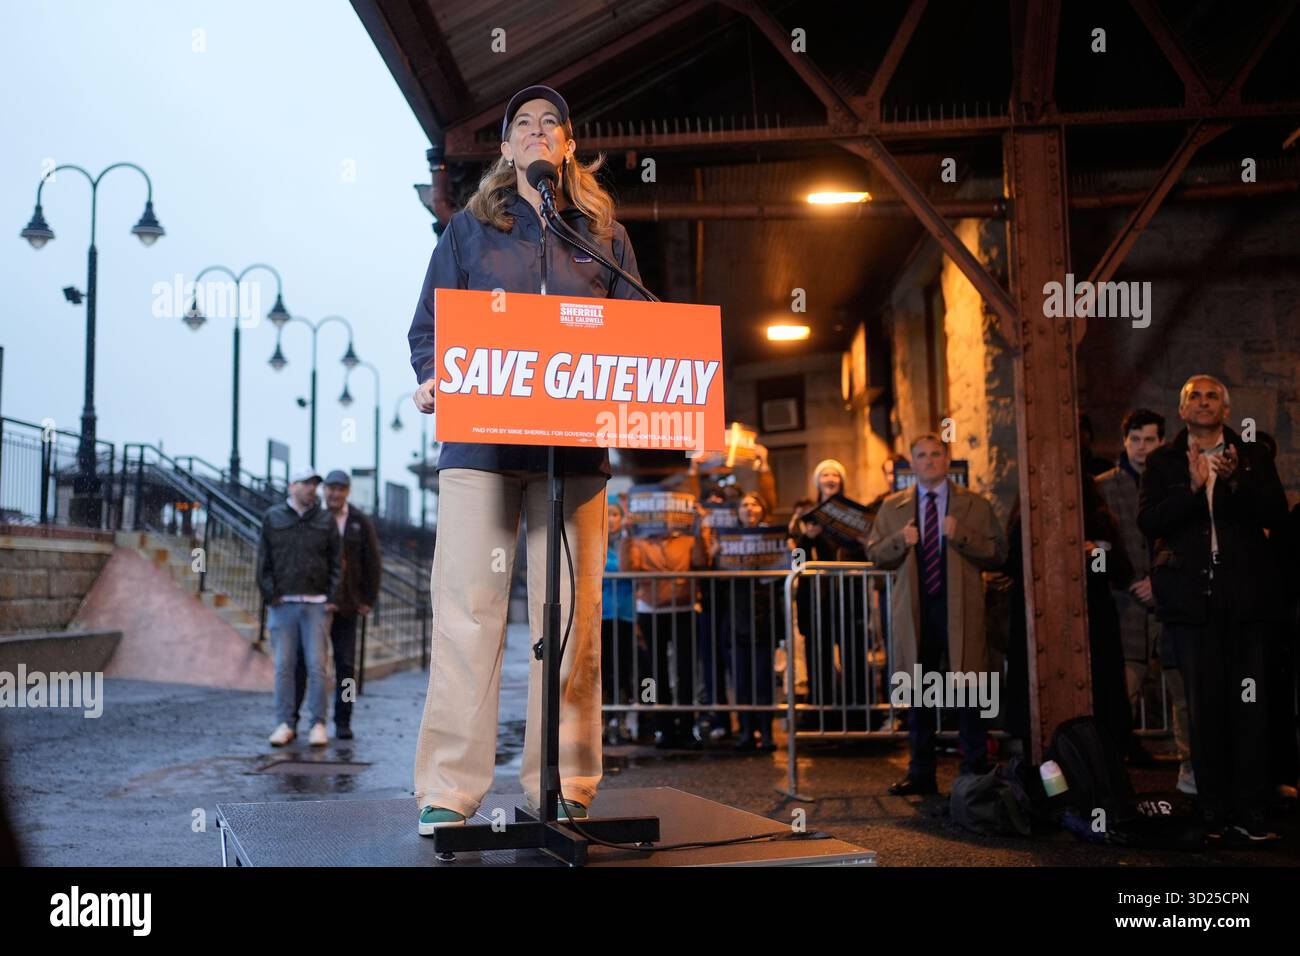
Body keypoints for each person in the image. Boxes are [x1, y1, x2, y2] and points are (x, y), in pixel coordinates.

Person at [406, 84, 646, 833]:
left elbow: (638, 330)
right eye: (522, 124)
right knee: (467, 614)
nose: (537, 131)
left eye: (551, 123)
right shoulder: (469, 230)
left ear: (568, 147)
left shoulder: (603, 235)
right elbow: (429, 326)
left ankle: (566, 781)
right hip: (480, 449)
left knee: (573, 622)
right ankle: (450, 789)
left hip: (571, 456)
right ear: (507, 148)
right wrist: (432, 377)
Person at [1138, 374, 1288, 842]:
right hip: (1192, 604)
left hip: (1243, 603)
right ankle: (1212, 812)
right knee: (1203, 710)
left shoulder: (1252, 454)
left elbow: (1276, 515)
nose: (1203, 402)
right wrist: (1190, 489)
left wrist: (1235, 481)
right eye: (1194, 396)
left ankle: (1249, 810)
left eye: (1211, 396)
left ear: (1225, 409)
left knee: (1248, 706)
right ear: (1182, 410)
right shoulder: (1162, 461)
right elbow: (1149, 522)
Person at [866, 435, 1008, 794]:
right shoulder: (893, 507)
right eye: (921, 456)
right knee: (919, 690)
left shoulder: (974, 505)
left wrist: (962, 535)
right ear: (912, 464)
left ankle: (974, 768)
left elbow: (998, 553)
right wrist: (900, 539)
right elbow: (875, 553)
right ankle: (921, 772)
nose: (929, 461)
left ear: (946, 460)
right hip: (917, 610)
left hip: (961, 608)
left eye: (935, 454)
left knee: (970, 688)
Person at [1096, 410, 1169, 771]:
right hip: (1126, 601)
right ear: (1124, 442)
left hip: (1168, 597)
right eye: (1135, 439)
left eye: (1149, 440)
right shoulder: (1103, 487)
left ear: (1161, 442)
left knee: (1183, 690)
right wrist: (1127, 580)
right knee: (1122, 689)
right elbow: (1102, 544)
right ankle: (1108, 769)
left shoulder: (1175, 483)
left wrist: (1160, 581)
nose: (1141, 447)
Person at [291, 470, 381, 741]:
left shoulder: (359, 522)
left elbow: (372, 561)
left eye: (341, 489)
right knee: (303, 663)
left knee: (346, 667)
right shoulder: (313, 517)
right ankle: (293, 718)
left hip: (348, 606)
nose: (335, 493)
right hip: (315, 604)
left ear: (347, 492)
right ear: (324, 490)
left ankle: (344, 720)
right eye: (331, 488)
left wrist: (367, 599)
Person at [257, 468, 341, 748]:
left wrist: (332, 596)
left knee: (317, 667)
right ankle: (285, 724)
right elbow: (264, 559)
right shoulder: (273, 517)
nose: (311, 489)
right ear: (292, 486)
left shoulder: (325, 519)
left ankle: (318, 724)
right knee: (284, 666)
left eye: (314, 484)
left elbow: (336, 561)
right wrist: (270, 593)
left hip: (316, 604)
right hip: (284, 603)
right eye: (306, 484)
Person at [790, 459, 869, 730]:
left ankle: (858, 714)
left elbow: (866, 555)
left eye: (835, 474)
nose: (830, 478)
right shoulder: (808, 517)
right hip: (818, 599)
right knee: (819, 656)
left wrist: (864, 543)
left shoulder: (855, 515)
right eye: (825, 474)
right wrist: (807, 538)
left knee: (854, 655)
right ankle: (820, 713)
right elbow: (796, 560)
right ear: (817, 482)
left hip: (849, 595)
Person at [621, 510, 710, 749]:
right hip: (650, 610)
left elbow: (701, 562)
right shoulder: (641, 540)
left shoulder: (686, 539)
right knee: (654, 670)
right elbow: (628, 568)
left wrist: (699, 531)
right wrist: (627, 536)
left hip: (683, 608)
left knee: (686, 670)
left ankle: (687, 726)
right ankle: (663, 726)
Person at [699, 492, 780, 750]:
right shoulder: (728, 540)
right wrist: (714, 558)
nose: (749, 508)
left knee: (763, 678)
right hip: (736, 619)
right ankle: (746, 731)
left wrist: (791, 551)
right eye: (745, 505)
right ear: (738, 512)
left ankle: (766, 732)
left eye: (754, 504)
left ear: (762, 509)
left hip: (764, 618)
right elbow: (712, 584)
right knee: (742, 679)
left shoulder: (774, 538)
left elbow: (790, 569)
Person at [601, 499, 645, 744]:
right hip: (603, 615)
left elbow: (631, 568)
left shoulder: (629, 541)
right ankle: (608, 719)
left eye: (615, 514)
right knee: (606, 669)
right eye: (607, 514)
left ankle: (625, 718)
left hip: (627, 615)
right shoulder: (597, 541)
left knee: (626, 669)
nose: (611, 519)